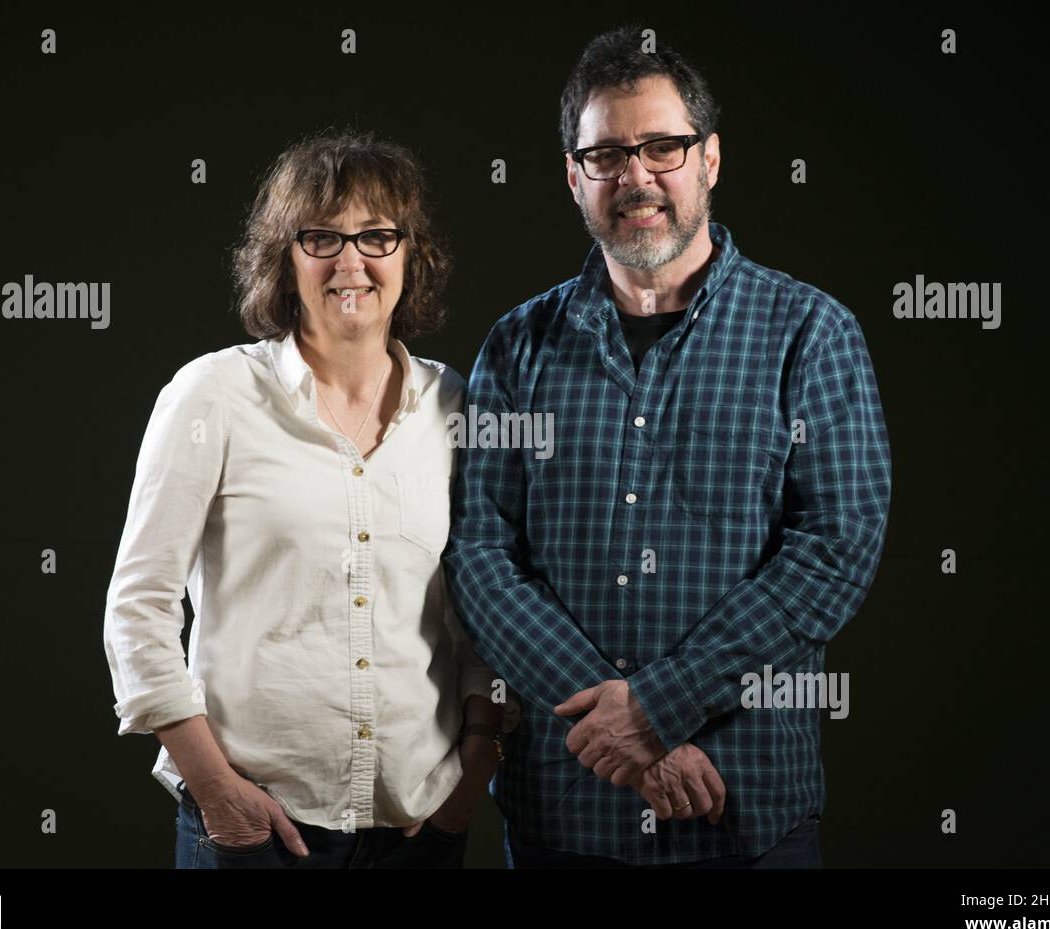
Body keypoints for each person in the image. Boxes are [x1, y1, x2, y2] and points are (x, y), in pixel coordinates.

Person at [442, 26, 891, 868]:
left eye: (662, 147)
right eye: (607, 155)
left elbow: (836, 549)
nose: (636, 176)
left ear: (709, 159)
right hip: (563, 818)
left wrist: (660, 705)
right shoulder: (515, 346)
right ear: (573, 177)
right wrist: (621, 728)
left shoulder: (810, 333)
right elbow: (479, 557)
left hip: (743, 813)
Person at [103, 130, 513, 869]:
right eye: (322, 237)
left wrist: (477, 763)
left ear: (409, 253)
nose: (351, 261)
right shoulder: (214, 394)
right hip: (253, 830)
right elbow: (137, 606)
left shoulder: (453, 404)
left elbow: (478, 609)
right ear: (284, 259)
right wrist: (216, 792)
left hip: (418, 833)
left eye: (376, 236)